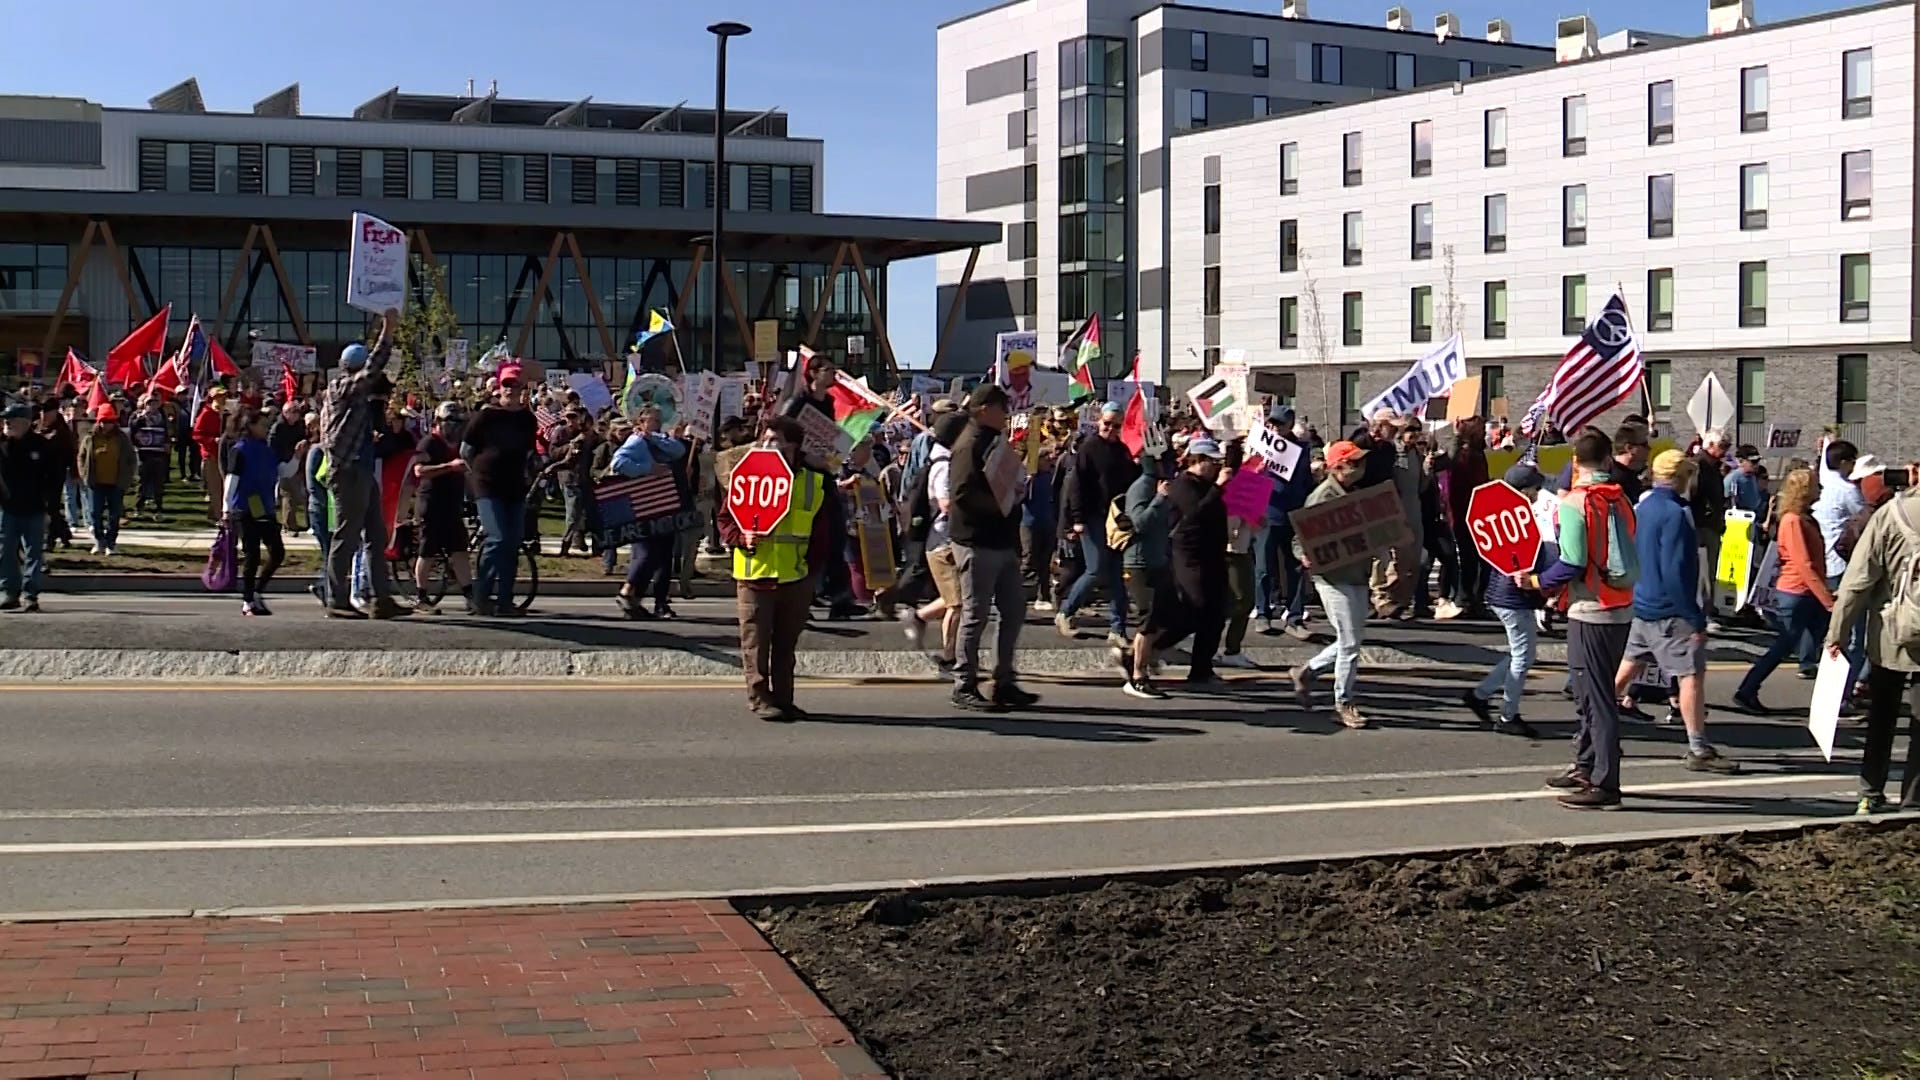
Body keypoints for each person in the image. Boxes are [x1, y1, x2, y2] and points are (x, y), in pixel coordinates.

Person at [1521, 427, 1640, 810]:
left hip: (1590, 610)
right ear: (1608, 460)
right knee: (1595, 693)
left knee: (1596, 697)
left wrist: (1536, 581)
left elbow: (1571, 562)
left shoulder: (1575, 503)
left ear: (1575, 463)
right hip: (1621, 605)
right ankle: (1586, 765)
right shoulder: (1620, 499)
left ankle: (1605, 783)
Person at [1613, 450, 1739, 774]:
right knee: (1690, 677)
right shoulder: (1677, 513)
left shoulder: (1642, 505)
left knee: (1628, 668)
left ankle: (1592, 726)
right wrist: (1694, 615)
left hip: (1642, 601)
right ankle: (1698, 746)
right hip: (1671, 610)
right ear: (1684, 477)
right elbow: (1675, 569)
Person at [719, 416, 828, 722]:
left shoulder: (812, 482)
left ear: (793, 445)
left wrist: (813, 572)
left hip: (796, 577)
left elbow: (822, 532)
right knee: (755, 644)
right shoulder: (747, 476)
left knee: (785, 645)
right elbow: (725, 520)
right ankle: (760, 698)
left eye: (775, 439)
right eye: (765, 438)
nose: (768, 444)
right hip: (755, 575)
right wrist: (742, 538)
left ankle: (784, 699)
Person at [1824, 477, 1920, 815]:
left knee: (1882, 717)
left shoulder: (1890, 515)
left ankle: (1870, 791)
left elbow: (1857, 581)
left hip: (1890, 633)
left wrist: (1837, 632)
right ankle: (1914, 801)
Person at [946, 384, 1039, 713]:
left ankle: (1004, 680)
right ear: (984, 408)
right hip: (977, 540)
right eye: (1002, 409)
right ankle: (964, 683)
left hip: (1002, 540)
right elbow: (961, 494)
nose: (1007, 415)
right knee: (976, 614)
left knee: (1013, 610)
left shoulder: (994, 440)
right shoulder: (969, 445)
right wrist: (1000, 502)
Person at [1122, 437, 1231, 698]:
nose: (1216, 467)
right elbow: (1194, 515)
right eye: (1211, 462)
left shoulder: (1204, 485)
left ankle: (1200, 669)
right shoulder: (1181, 485)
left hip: (1208, 556)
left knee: (1212, 613)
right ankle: (1139, 661)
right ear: (1197, 461)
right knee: (1183, 612)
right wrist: (1218, 488)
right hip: (1184, 558)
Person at [318, 311, 406, 620]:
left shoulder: (346, 395)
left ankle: (381, 598)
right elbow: (372, 370)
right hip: (350, 471)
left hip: (360, 470)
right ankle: (335, 599)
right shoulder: (344, 388)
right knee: (347, 535)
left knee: (375, 535)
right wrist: (388, 330)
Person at [1290, 440, 1378, 729]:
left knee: (1349, 640)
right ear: (1337, 467)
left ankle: (1307, 672)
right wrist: (1304, 555)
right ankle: (1344, 701)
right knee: (1351, 644)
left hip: (1355, 573)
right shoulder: (1322, 497)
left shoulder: (1355, 494)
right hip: (1332, 578)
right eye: (1354, 463)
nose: (1361, 468)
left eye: (1362, 462)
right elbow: (1299, 536)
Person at [1461, 463, 1550, 739]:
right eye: (1535, 488)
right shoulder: (1519, 519)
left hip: (1502, 595)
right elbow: (1525, 560)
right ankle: (1507, 715)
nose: (1539, 492)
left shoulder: (1500, 515)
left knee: (1519, 654)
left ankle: (1480, 694)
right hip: (1514, 597)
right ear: (1524, 491)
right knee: (1523, 657)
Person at [1734, 468, 1831, 714]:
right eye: (1816, 485)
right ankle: (1747, 690)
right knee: (1785, 644)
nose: (1820, 489)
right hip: (1797, 592)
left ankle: (1837, 694)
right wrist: (1827, 599)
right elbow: (1803, 563)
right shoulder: (1793, 521)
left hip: (1806, 592)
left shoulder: (1804, 518)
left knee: (1823, 640)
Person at [1056, 401, 1139, 647]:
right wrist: (1078, 518)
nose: (1110, 430)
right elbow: (1076, 486)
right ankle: (1066, 610)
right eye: (1106, 424)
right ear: (1098, 422)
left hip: (1115, 519)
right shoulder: (1089, 448)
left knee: (1115, 573)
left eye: (1116, 426)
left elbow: (1131, 481)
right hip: (1092, 516)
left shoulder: (1122, 451)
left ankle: (1118, 628)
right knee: (1096, 569)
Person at [462, 362, 541, 618]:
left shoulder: (527, 418)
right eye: (506, 385)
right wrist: (474, 473)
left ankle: (505, 600)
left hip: (515, 485)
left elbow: (529, 451)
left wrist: (532, 469)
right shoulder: (486, 415)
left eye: (514, 385)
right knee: (497, 538)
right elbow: (466, 450)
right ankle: (481, 596)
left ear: (522, 388)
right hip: (487, 484)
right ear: (499, 387)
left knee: (512, 543)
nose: (510, 390)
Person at [610, 405, 687, 620]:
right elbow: (618, 463)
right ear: (641, 422)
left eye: (659, 419)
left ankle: (650, 602)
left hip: (666, 503)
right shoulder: (636, 441)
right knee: (645, 551)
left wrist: (653, 437)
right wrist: (647, 470)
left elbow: (678, 450)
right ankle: (629, 590)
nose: (658, 423)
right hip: (645, 503)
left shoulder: (657, 439)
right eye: (653, 420)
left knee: (664, 555)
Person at [1814, 439, 1870, 702]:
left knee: (1834, 630)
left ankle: (1834, 689)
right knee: (1854, 635)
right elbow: (1868, 519)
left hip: (1824, 561)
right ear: (1846, 463)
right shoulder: (1848, 490)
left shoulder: (1822, 485)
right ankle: (1844, 694)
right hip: (1844, 564)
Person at [410, 402, 476, 614]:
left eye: (459, 423)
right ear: (439, 422)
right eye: (451, 422)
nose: (456, 427)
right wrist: (448, 467)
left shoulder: (458, 446)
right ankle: (421, 596)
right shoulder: (429, 443)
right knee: (427, 552)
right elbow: (419, 470)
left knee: (459, 551)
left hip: (452, 504)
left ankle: (470, 596)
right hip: (432, 503)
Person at [1117, 446, 1173, 695]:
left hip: (1157, 560)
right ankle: (1137, 676)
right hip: (1139, 563)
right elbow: (1138, 524)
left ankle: (1132, 657)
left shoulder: (1160, 485)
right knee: (1147, 620)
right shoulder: (1142, 487)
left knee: (1162, 618)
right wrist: (1160, 499)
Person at [0, 402, 62, 612]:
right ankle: (10, 592)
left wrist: (50, 509)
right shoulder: (2, 446)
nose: (7, 424)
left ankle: (31, 594)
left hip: (35, 509)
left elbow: (53, 479)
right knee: (5, 551)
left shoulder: (42, 446)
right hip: (8, 509)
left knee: (33, 553)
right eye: (5, 421)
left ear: (25, 422)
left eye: (12, 420)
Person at [224, 409, 285, 617]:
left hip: (262, 505)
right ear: (250, 426)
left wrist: (296, 457)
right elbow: (232, 480)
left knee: (277, 552)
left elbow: (282, 472)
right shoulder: (239, 449)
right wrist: (226, 509)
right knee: (252, 554)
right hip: (244, 506)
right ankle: (248, 600)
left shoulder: (266, 450)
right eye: (262, 425)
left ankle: (257, 591)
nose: (266, 429)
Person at [77, 403, 136, 557]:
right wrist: (84, 474)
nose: (106, 424)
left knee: (114, 515)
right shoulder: (90, 437)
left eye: (109, 421)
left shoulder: (121, 438)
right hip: (95, 483)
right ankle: (99, 541)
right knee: (94, 513)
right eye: (103, 421)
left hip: (115, 483)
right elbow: (81, 456)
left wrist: (127, 478)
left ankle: (111, 543)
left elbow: (131, 458)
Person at [127, 395, 171, 521]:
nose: (152, 406)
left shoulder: (162, 417)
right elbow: (132, 429)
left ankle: (158, 510)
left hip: (159, 453)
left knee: (159, 484)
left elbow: (166, 432)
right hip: (144, 454)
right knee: (142, 483)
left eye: (155, 403)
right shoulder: (137, 416)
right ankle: (138, 508)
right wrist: (141, 418)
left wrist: (167, 445)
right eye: (149, 403)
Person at [1724, 446, 1766, 514]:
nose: (1756, 465)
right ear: (1740, 461)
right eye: (1753, 462)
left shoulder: (1753, 476)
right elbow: (1725, 503)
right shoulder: (1732, 479)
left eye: (1758, 461)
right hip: (1739, 519)